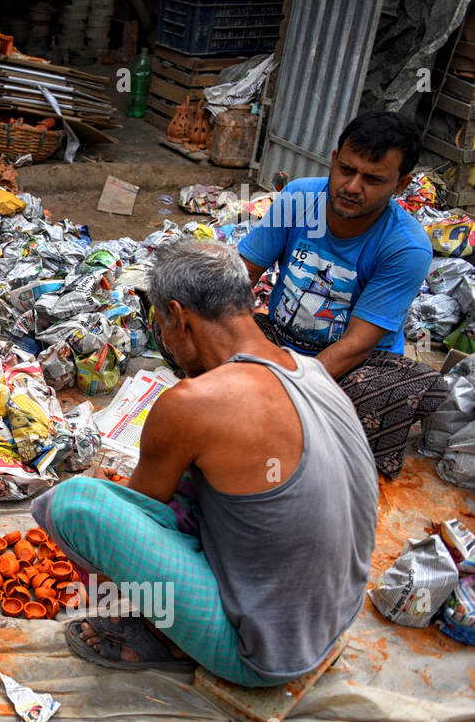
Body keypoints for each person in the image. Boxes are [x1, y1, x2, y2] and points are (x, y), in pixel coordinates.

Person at [32, 241, 378, 688]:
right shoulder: (311, 371)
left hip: (265, 654)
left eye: (162, 328)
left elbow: (139, 508)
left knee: (76, 505)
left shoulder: (190, 405)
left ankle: (159, 634)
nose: (168, 344)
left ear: (177, 316)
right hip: (333, 619)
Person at [238, 111, 447, 475]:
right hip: (279, 339)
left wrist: (288, 388)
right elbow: (242, 275)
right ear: (334, 160)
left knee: (389, 394)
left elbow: (357, 345)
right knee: (184, 315)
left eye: (372, 179)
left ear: (401, 185)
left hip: (353, 365)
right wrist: (221, 328)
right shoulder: (299, 199)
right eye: (347, 170)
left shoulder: (406, 246)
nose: (352, 187)